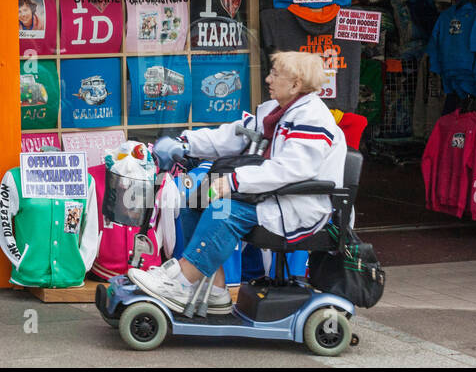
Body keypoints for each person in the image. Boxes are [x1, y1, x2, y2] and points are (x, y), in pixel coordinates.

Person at [132, 51, 346, 314]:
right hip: (272, 196)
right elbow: (232, 137)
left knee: (225, 210)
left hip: (298, 205)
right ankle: (216, 289)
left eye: (275, 74)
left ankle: (183, 281)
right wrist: (185, 143)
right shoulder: (273, 111)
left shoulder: (313, 117)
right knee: (195, 201)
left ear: (296, 84)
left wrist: (233, 181)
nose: (268, 79)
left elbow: (292, 169)